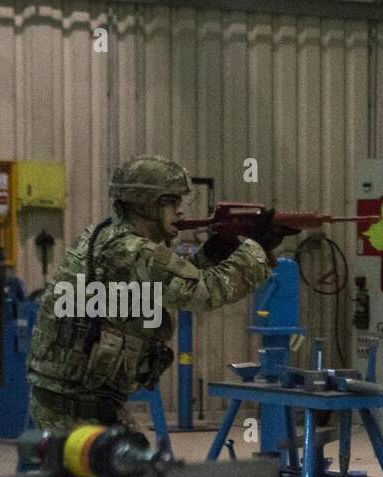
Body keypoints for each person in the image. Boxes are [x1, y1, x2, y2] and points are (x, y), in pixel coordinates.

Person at [27, 155, 274, 433]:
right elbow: (204, 292)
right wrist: (257, 249)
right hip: (76, 410)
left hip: (71, 400)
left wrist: (210, 254)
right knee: (131, 468)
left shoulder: (106, 235)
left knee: (138, 465)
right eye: (171, 202)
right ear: (145, 203)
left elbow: (168, 285)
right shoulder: (133, 251)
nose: (180, 212)